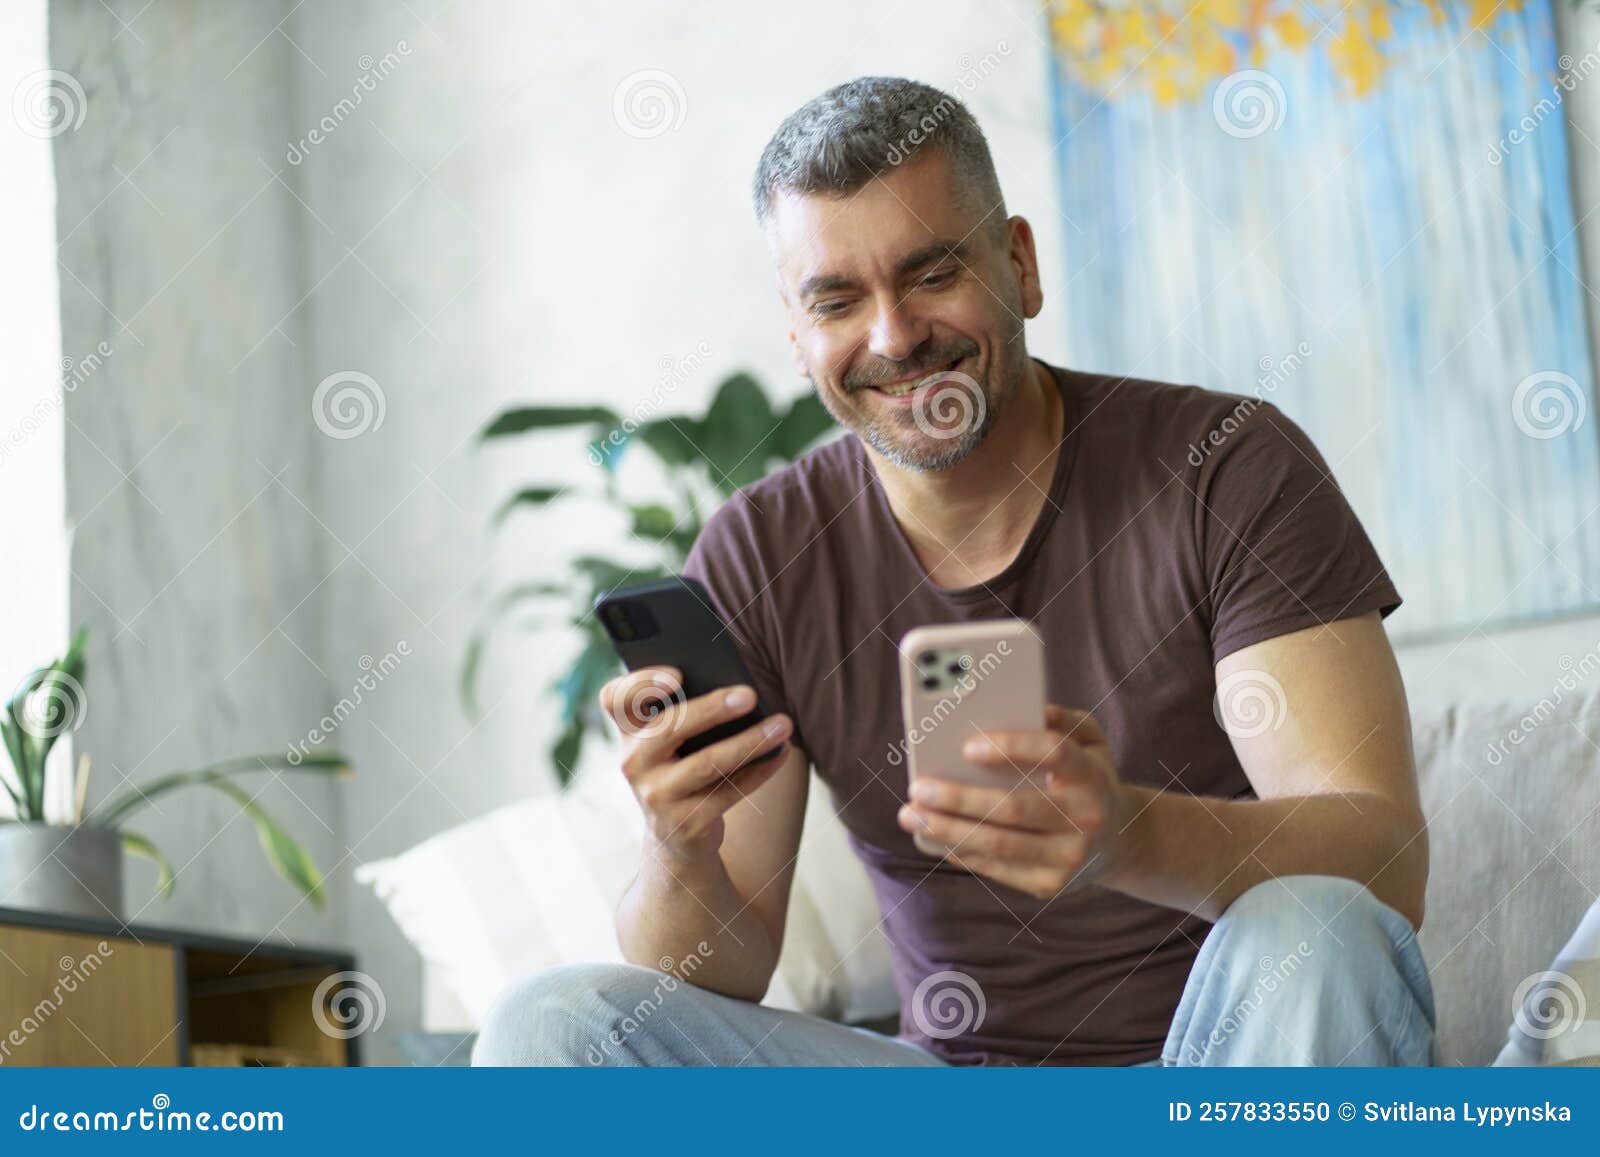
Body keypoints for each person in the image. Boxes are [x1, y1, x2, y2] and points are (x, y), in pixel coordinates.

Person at [474, 76, 1434, 1067]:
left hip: (1222, 1069)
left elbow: (1385, 864)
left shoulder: (1225, 464)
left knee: (1318, 926)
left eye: (931, 274)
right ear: (798, 334)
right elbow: (725, 963)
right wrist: (679, 851)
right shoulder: (761, 551)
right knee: (549, 1023)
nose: (892, 336)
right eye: (837, 299)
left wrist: (1126, 834)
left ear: (1018, 265)